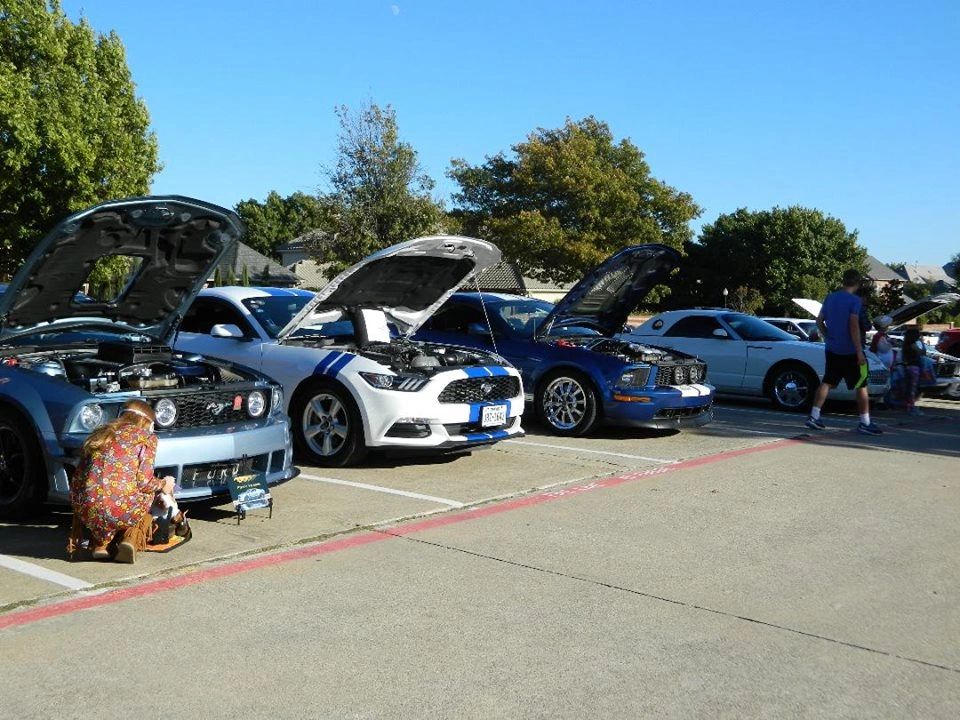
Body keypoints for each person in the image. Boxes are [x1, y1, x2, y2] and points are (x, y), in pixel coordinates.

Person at [67, 400, 178, 563]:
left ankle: (100, 545)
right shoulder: (147, 438)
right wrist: (164, 484)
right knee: (146, 496)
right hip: (121, 510)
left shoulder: (100, 433)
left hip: (86, 509)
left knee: (101, 501)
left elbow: (79, 475)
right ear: (147, 422)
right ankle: (130, 539)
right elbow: (144, 482)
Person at [805, 269, 882, 435]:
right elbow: (854, 326)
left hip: (832, 348)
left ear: (844, 280)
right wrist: (859, 352)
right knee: (861, 385)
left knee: (827, 381)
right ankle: (865, 422)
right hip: (851, 351)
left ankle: (814, 416)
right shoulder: (855, 301)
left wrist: (827, 336)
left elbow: (819, 320)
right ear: (858, 283)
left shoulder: (831, 297)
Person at [901, 327, 924, 416]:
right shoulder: (913, 344)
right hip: (915, 367)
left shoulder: (905, 344)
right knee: (913, 388)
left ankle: (908, 405)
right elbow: (922, 352)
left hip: (907, 367)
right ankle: (911, 406)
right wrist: (922, 342)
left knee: (909, 387)